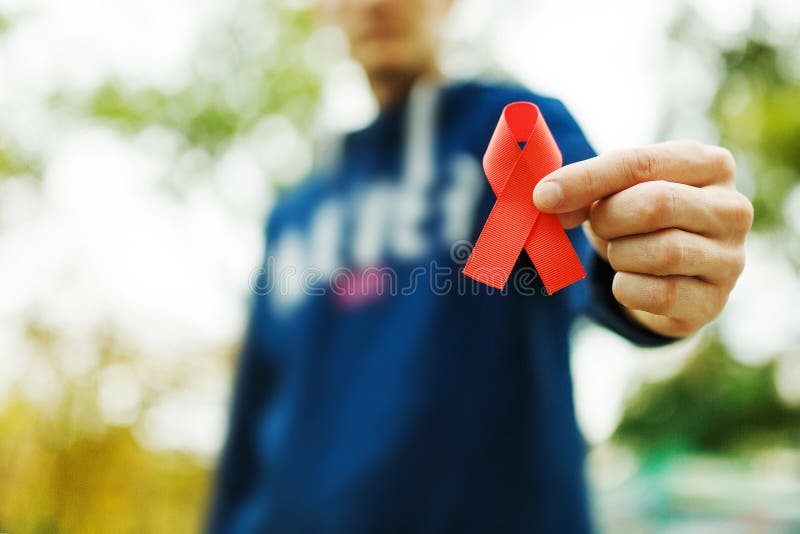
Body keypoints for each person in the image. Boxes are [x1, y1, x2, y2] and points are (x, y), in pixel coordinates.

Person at [205, 0, 753, 532]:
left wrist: (654, 269)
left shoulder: (508, 132)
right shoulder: (294, 215)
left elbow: (589, 258)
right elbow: (250, 427)